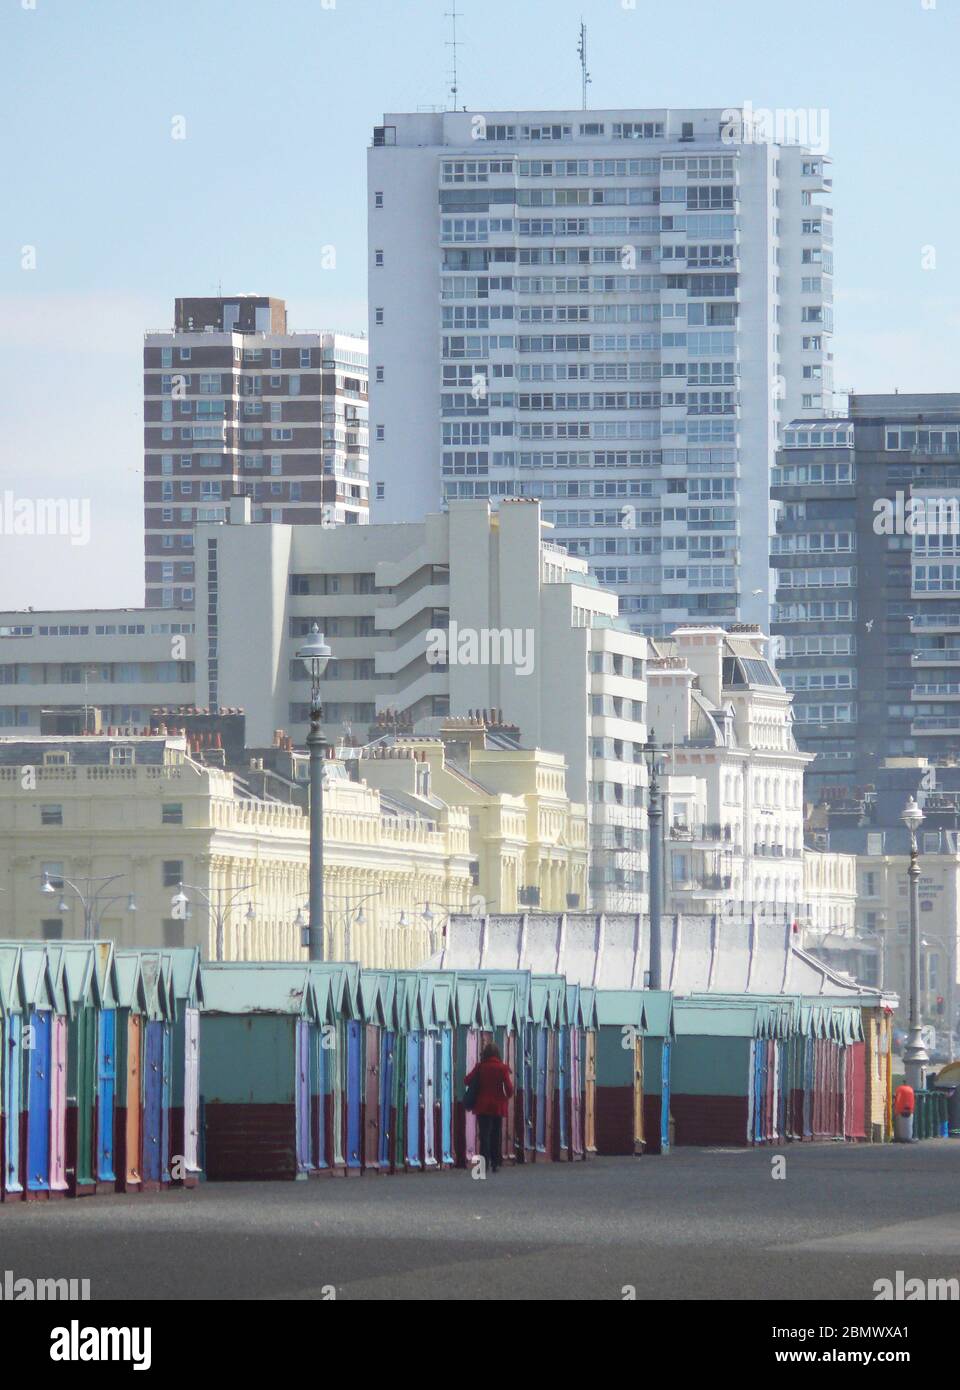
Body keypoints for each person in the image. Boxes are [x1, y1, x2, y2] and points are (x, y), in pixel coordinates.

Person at [466, 1042, 514, 1174]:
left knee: (484, 1135)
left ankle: (483, 1165)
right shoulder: (502, 1068)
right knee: (496, 1134)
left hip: (483, 1107)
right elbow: (509, 1089)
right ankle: (495, 1163)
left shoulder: (480, 1067)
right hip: (498, 1106)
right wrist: (505, 1096)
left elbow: (467, 1080)